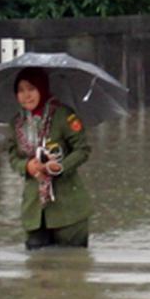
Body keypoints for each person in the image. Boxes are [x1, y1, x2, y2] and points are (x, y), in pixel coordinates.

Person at [6, 67, 92, 250]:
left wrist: (59, 167)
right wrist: (27, 166)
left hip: (69, 211)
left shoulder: (63, 115)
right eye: (20, 90)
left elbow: (82, 149)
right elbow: (12, 155)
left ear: (42, 88)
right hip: (34, 210)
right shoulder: (16, 124)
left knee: (72, 268)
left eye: (31, 89)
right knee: (37, 268)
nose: (26, 96)